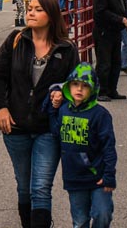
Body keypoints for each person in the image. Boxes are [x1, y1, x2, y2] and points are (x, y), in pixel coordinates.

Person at [0, 0, 79, 228]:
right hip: (15, 126)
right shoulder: (16, 40)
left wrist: (63, 92)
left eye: (38, 9)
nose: (31, 13)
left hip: (48, 127)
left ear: (51, 15)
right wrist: (1, 108)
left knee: (40, 188)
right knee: (24, 187)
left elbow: (78, 85)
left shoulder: (67, 48)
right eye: (30, 8)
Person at [47, 63, 117, 228]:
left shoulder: (100, 115)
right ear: (68, 86)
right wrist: (53, 109)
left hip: (97, 176)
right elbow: (56, 132)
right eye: (75, 84)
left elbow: (108, 147)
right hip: (74, 177)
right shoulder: (64, 110)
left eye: (85, 86)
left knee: (102, 214)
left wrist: (109, 175)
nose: (79, 89)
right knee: (80, 221)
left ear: (93, 89)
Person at [92, 0, 127, 101]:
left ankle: (112, 89)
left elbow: (126, 6)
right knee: (104, 63)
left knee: (116, 62)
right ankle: (101, 91)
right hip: (104, 30)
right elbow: (100, 12)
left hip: (116, 30)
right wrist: (119, 19)